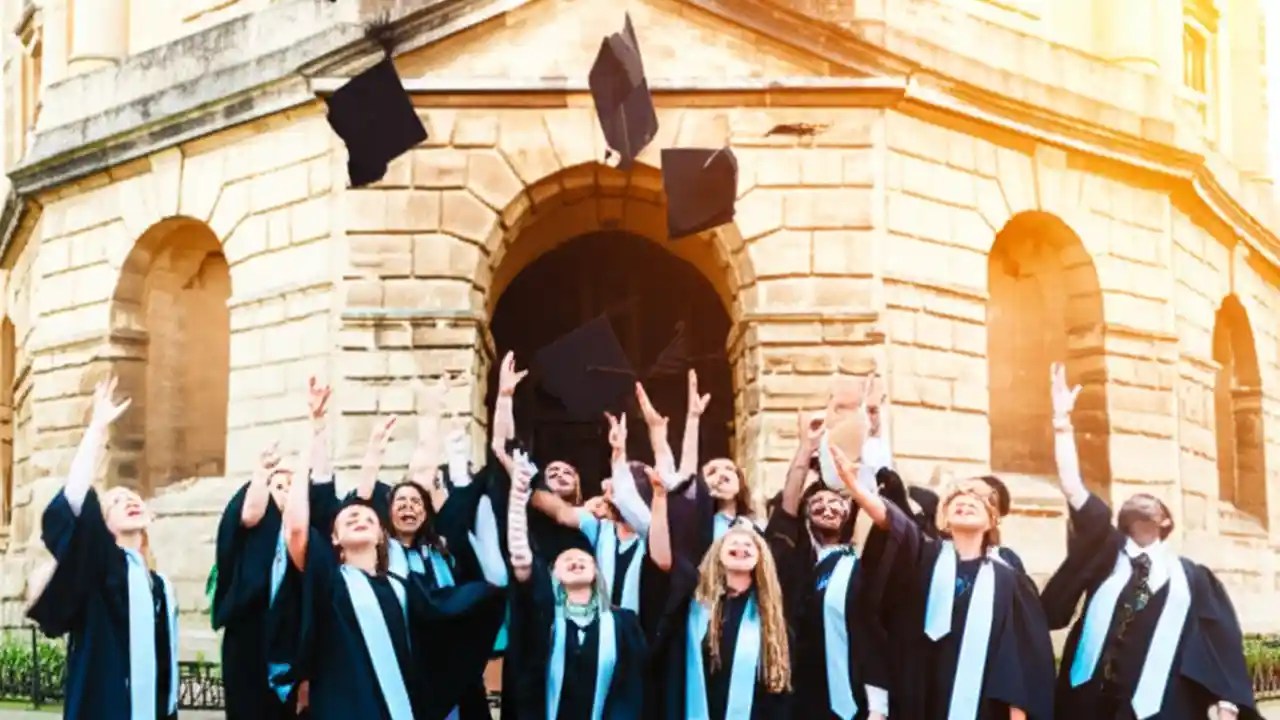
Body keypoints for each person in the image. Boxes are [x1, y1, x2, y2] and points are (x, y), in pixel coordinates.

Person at [1041, 362, 1260, 720]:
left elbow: (1220, 641)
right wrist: (1062, 424)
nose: (1139, 501)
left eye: (1152, 502)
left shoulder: (1193, 578)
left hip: (1162, 706)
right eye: (1133, 501)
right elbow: (1073, 488)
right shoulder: (1104, 553)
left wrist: (1226, 700)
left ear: (1166, 521)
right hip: (1089, 702)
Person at [834, 391, 1055, 720]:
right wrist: (858, 490)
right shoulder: (924, 557)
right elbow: (894, 523)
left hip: (980, 706)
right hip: (918, 698)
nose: (964, 501)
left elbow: (1020, 660)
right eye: (956, 499)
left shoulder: (1009, 582)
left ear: (993, 520)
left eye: (977, 500)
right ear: (944, 517)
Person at [269, 424, 506, 720]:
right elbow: (296, 531)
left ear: (382, 535)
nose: (359, 518)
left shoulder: (403, 586)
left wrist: (493, 594)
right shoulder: (329, 579)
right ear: (334, 538)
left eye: (368, 517)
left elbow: (446, 616)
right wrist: (314, 432)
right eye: (350, 517)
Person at [27, 378, 180, 720]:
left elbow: (165, 673)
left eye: (133, 497)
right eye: (116, 502)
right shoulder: (98, 570)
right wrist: (96, 429)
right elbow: (75, 503)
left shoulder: (160, 588)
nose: (128, 501)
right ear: (100, 526)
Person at [213, 377, 340, 719]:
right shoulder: (256, 523)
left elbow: (323, 482)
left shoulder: (309, 532)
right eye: (278, 484)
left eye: (292, 482)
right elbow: (250, 511)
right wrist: (261, 472)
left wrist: (317, 428)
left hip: (297, 639)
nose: (285, 488)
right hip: (250, 636)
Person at [768, 375, 893, 720]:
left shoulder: (861, 563)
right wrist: (806, 447)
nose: (827, 506)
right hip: (801, 695)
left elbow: (871, 633)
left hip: (853, 697)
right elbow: (787, 509)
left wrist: (878, 706)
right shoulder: (797, 562)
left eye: (837, 503)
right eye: (817, 502)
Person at [505, 456, 649, 720]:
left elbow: (628, 693)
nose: (575, 560)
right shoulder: (544, 620)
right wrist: (517, 488)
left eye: (582, 558)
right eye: (567, 560)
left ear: (596, 570)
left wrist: (618, 454)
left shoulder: (624, 623)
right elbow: (521, 553)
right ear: (553, 575)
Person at [651, 518, 794, 720]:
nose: (740, 546)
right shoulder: (694, 604)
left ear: (761, 557)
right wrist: (659, 496)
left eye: (749, 544)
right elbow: (662, 558)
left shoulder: (770, 618)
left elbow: (777, 693)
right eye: (733, 542)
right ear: (718, 552)